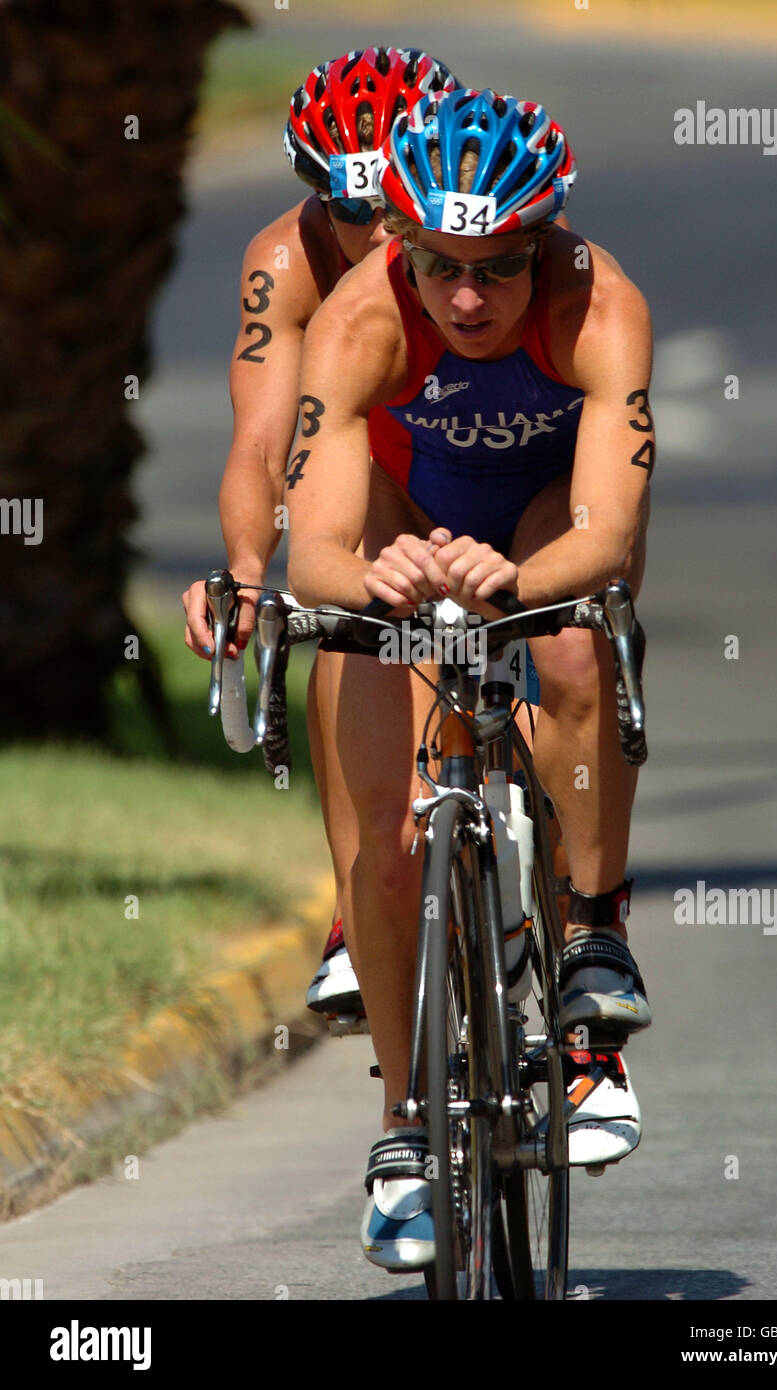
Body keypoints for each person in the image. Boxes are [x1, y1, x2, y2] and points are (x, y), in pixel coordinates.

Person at [286, 86, 655, 1271]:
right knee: (387, 851)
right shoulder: (358, 323)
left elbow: (605, 535)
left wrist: (513, 580)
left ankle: (592, 950)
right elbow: (314, 553)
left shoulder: (598, 308)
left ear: (541, 240)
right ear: (397, 242)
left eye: (498, 267)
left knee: (567, 637)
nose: (466, 297)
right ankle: (403, 1121)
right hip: (406, 519)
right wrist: (374, 571)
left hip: (545, 521)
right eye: (440, 264)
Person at [182, 48, 458, 1028]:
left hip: (472, 467)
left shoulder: (465, 248)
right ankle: (358, 902)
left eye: (387, 206)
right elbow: (260, 439)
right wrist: (247, 574)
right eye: (344, 209)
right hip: (362, 477)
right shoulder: (286, 260)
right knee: (345, 613)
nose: (368, 232)